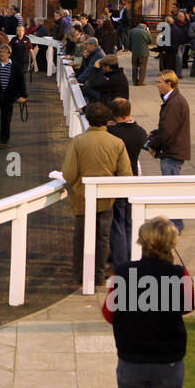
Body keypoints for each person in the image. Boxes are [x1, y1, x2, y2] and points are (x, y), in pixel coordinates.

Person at [103, 217, 194, 388]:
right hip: (169, 362)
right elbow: (189, 304)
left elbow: (108, 313)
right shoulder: (178, 274)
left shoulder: (123, 272)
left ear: (142, 242)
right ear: (171, 244)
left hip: (132, 361)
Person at [62, 102, 132, 288]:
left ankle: (78, 274)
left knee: (81, 237)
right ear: (106, 120)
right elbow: (126, 174)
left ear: (88, 119)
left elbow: (68, 175)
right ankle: (99, 275)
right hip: (106, 200)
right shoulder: (117, 143)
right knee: (102, 238)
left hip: (82, 198)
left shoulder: (77, 142)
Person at [106, 98, 147, 270]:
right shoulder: (140, 132)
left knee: (117, 223)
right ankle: (132, 257)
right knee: (130, 222)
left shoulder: (111, 132)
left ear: (114, 113)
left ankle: (120, 262)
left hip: (117, 180)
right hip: (134, 179)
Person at [147, 71, 190, 232]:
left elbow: (167, 131)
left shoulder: (174, 103)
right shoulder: (173, 101)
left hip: (172, 152)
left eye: (160, 82)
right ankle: (176, 222)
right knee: (172, 187)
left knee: (172, 189)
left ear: (169, 84)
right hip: (173, 150)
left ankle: (176, 224)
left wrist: (154, 145)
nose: (158, 85)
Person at [10, 23, 34, 90]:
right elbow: (9, 49)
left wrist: (34, 60)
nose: (20, 32)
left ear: (24, 32)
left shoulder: (27, 39)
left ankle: (22, 94)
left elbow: (31, 50)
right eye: (19, 30)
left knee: (22, 78)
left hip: (24, 62)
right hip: (15, 62)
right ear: (17, 32)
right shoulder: (13, 39)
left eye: (22, 30)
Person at [128, 20, 152, 86]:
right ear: (145, 26)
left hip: (135, 52)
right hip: (144, 52)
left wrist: (131, 49)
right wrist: (148, 33)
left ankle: (134, 81)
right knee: (142, 67)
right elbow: (150, 41)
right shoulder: (146, 32)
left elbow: (128, 42)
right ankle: (140, 81)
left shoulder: (132, 31)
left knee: (134, 66)